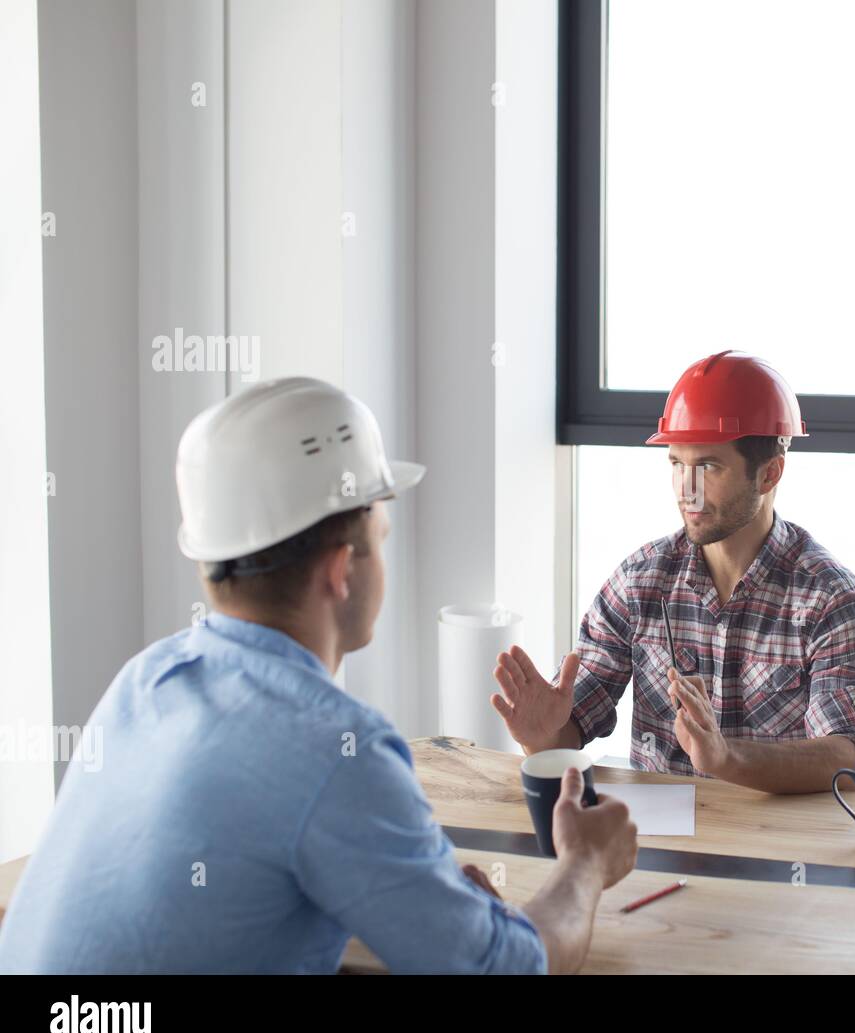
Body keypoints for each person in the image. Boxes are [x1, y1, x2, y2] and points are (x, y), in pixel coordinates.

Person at [0, 377, 636, 975]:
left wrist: (434, 902)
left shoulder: (146, 681)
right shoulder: (336, 752)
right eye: (381, 537)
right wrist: (584, 862)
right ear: (341, 570)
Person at [490, 351, 855, 794]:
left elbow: (851, 756)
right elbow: (568, 732)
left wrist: (725, 757)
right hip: (659, 849)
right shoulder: (640, 581)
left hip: (778, 848)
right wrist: (541, 736)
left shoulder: (829, 595)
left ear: (770, 474)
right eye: (677, 464)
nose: (686, 490)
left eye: (708, 467)